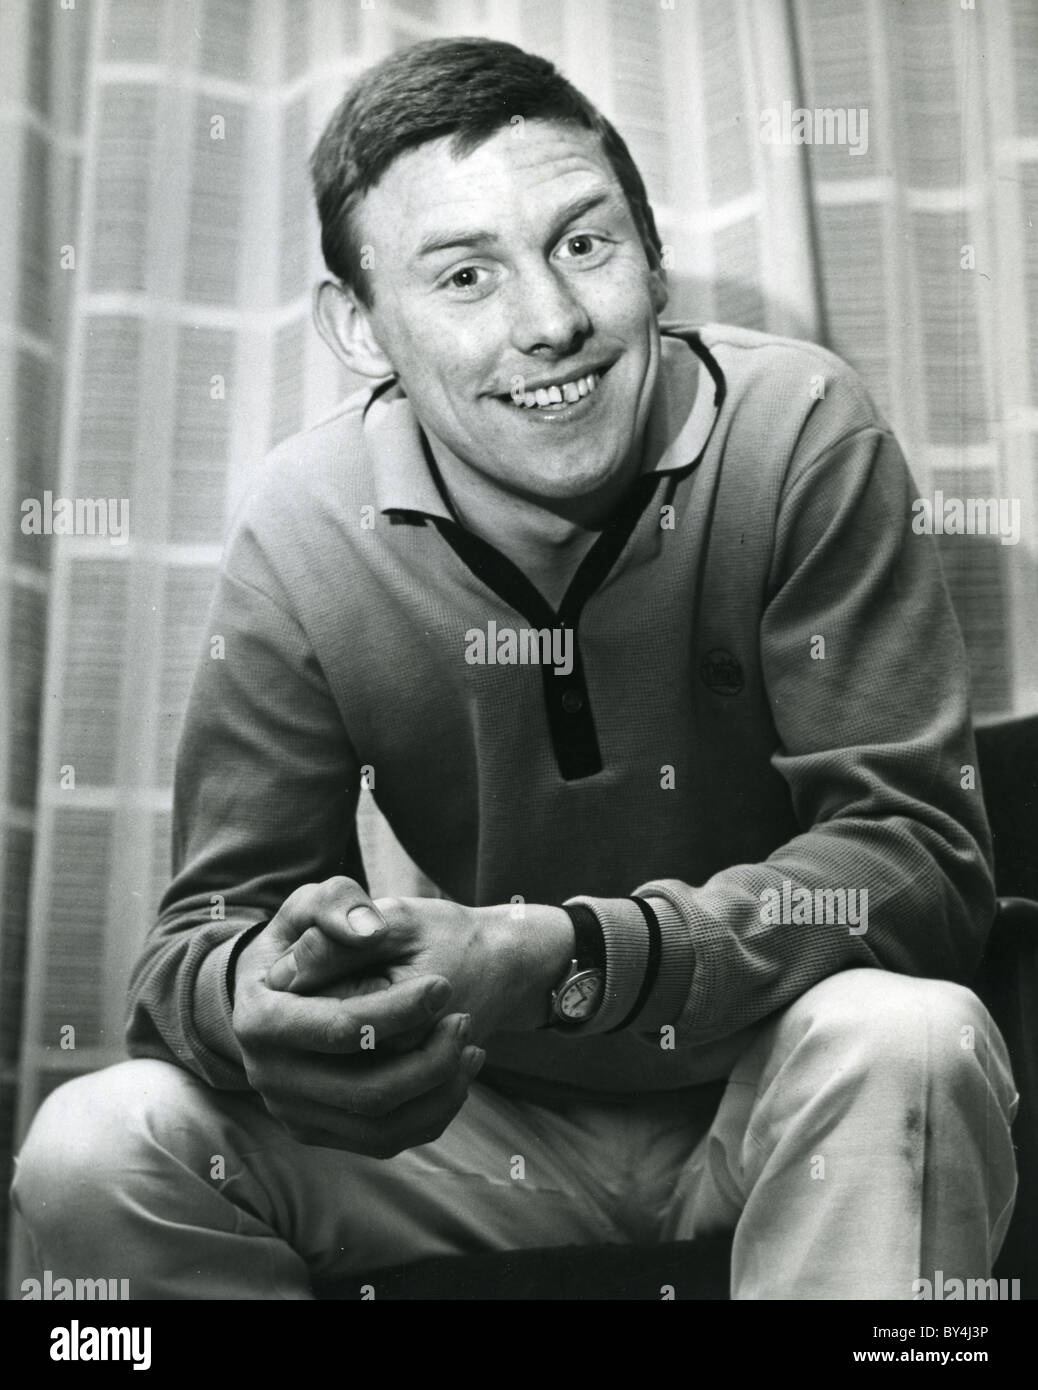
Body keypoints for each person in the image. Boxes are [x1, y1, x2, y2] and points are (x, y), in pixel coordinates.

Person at [12, 36, 1017, 1300]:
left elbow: (921, 863)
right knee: (93, 1148)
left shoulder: (802, 430)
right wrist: (263, 995)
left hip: (774, 1090)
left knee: (913, 1032)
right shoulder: (301, 522)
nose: (551, 325)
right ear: (359, 326)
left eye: (585, 244)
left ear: (652, 260)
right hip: (477, 1126)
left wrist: (558, 954)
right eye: (465, 276)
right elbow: (197, 945)